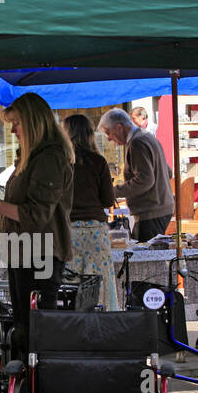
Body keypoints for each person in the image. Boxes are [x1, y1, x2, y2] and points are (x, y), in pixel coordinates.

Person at [0, 93, 74, 359]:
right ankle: (26, 386)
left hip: (39, 253)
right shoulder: (33, 156)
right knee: (25, 327)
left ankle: (38, 388)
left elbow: (36, 214)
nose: (12, 130)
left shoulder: (49, 158)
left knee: (36, 331)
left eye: (17, 123)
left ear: (33, 122)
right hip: (24, 250)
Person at [63, 113, 119, 311]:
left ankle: (74, 325)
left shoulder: (60, 162)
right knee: (100, 281)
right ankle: (104, 322)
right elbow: (107, 200)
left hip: (68, 231)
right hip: (96, 231)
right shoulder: (98, 161)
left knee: (71, 282)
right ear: (89, 134)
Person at [98, 107, 173, 242]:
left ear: (119, 127)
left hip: (151, 212)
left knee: (145, 256)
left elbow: (145, 180)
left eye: (109, 132)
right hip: (159, 208)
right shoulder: (147, 137)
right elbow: (168, 172)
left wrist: (112, 191)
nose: (109, 138)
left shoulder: (137, 143)